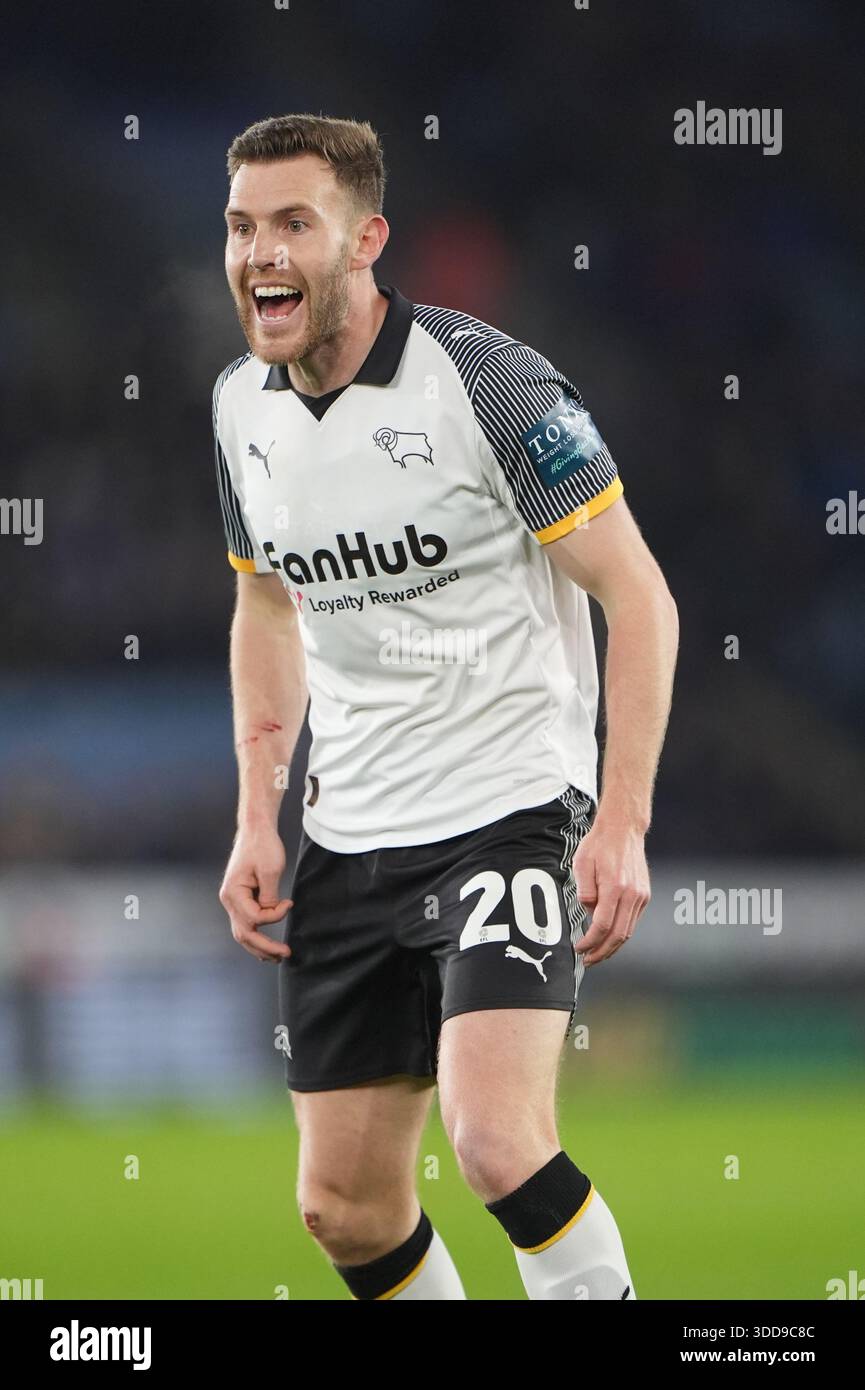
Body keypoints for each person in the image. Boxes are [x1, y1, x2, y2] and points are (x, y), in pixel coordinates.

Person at [213, 113, 679, 1301]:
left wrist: (619, 819)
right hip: (348, 832)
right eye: (240, 225)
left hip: (505, 809)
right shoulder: (237, 410)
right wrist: (257, 815)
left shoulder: (487, 380)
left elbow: (642, 598)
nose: (260, 253)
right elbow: (266, 608)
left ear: (366, 238)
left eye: (292, 224)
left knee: (494, 1139)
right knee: (344, 1209)